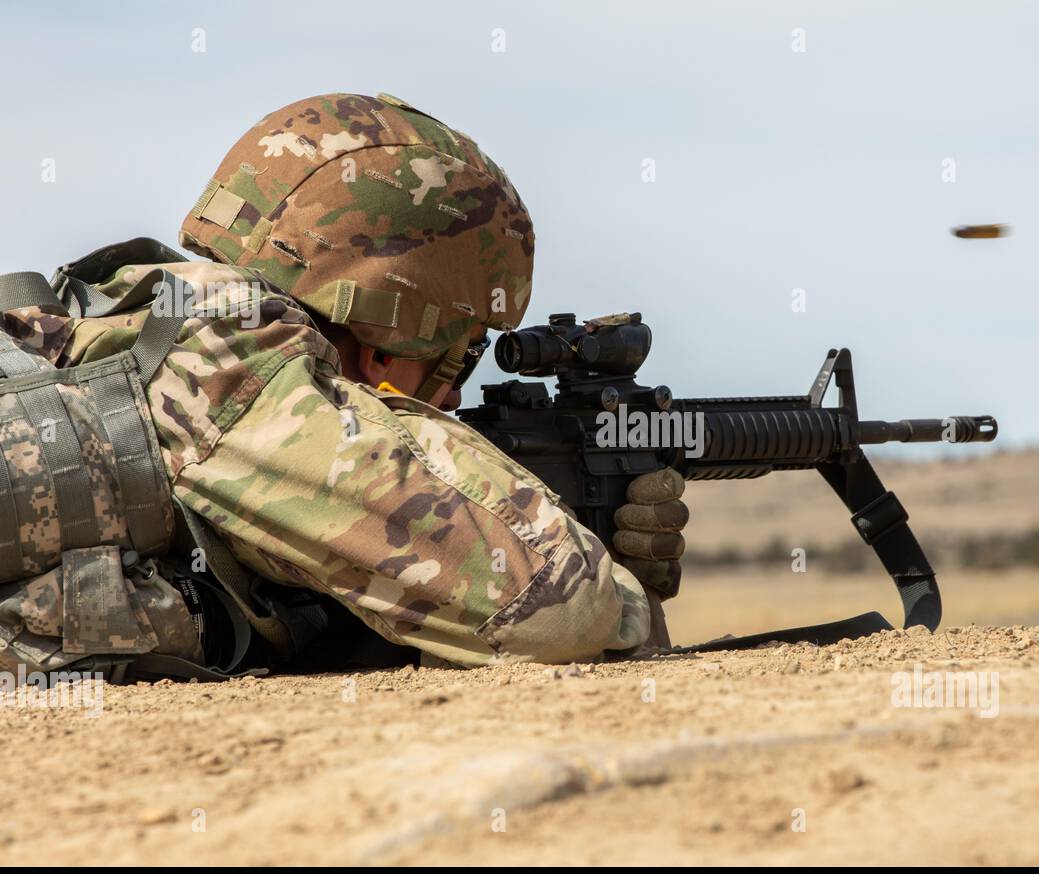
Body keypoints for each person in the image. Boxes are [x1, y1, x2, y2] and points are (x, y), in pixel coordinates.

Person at [0, 92, 686, 677]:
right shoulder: (235, 359)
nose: (451, 396)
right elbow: (560, 613)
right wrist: (614, 581)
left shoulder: (149, 322)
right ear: (393, 346)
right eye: (462, 353)